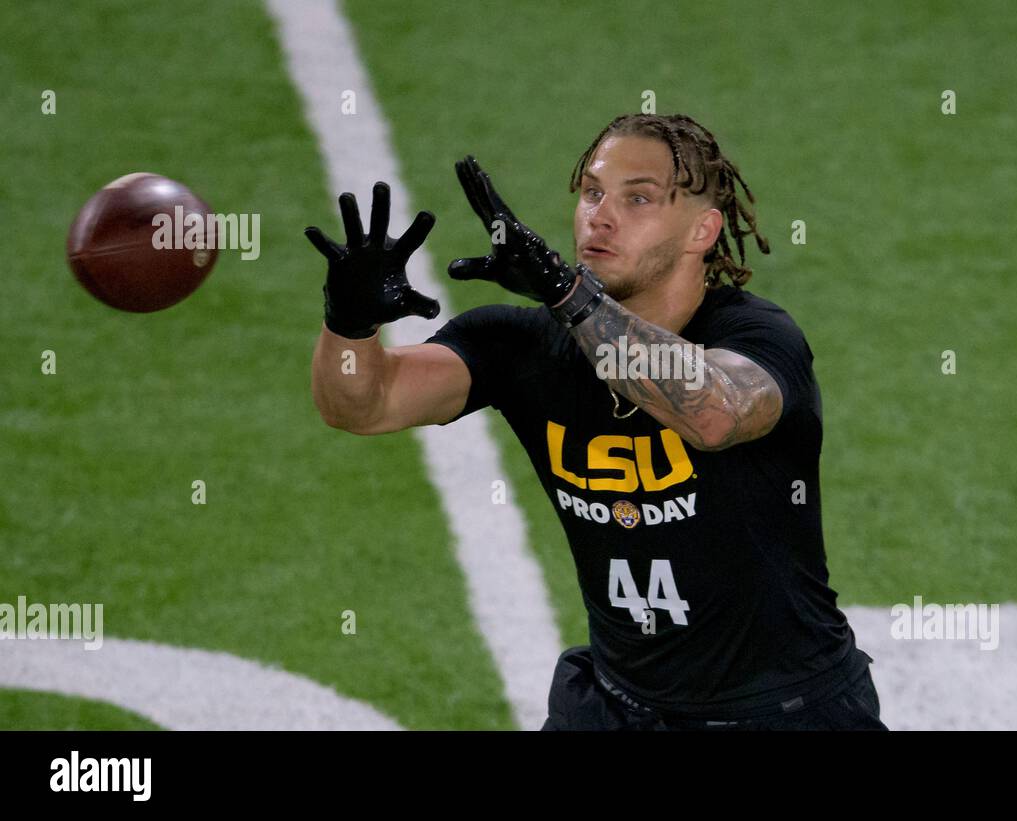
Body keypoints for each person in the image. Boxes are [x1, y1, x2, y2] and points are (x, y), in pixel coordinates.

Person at [306, 113, 887, 731]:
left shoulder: (756, 335)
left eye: (638, 198)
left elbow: (715, 414)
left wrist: (568, 295)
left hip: (784, 712)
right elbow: (360, 405)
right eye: (592, 193)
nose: (600, 216)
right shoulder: (519, 344)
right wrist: (349, 323)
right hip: (615, 707)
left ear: (703, 230)